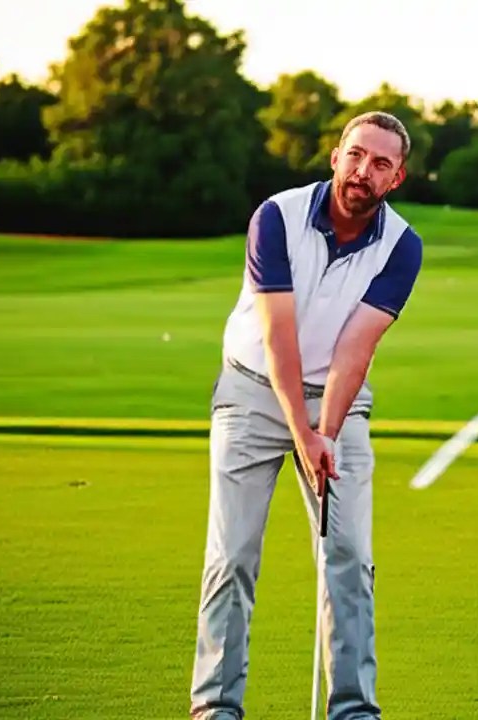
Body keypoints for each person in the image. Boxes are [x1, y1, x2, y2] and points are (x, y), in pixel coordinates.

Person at [190, 111, 423, 720]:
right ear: (335, 155)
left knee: (347, 556)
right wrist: (302, 432)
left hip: (337, 402)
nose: (362, 171)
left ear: (396, 178)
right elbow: (278, 336)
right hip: (251, 392)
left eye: (379, 164)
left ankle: (354, 709)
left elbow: (355, 350)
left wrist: (326, 434)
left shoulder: (403, 246)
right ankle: (215, 705)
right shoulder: (277, 216)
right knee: (233, 553)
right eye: (355, 155)